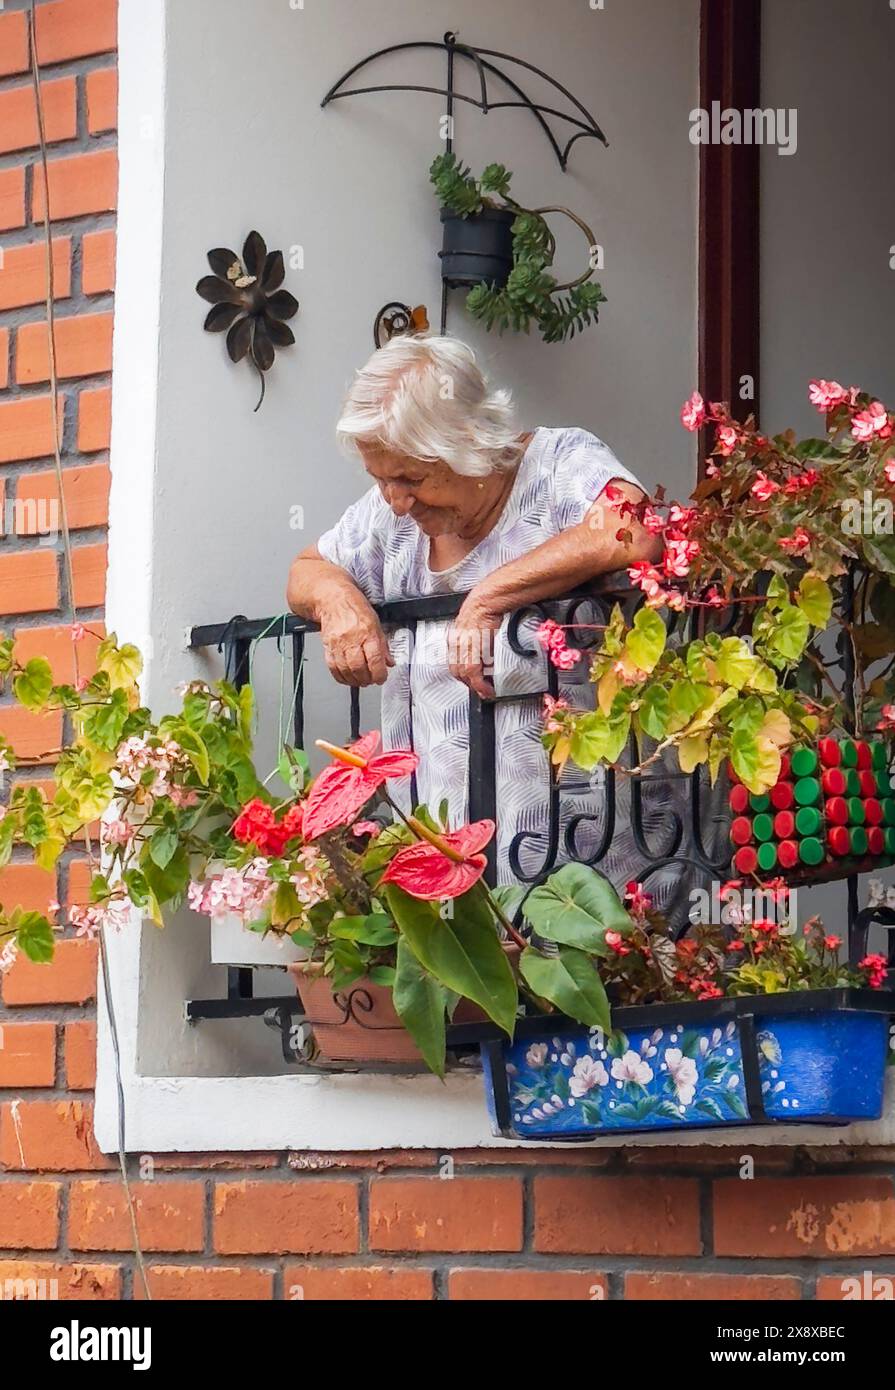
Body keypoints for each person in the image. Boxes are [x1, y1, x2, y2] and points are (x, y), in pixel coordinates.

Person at [287, 335, 662, 883]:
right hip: (445, 871)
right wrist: (338, 599)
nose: (394, 500)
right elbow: (305, 569)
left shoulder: (557, 464)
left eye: (410, 478)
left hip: (583, 865)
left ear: (468, 439)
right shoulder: (389, 516)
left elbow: (631, 529)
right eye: (380, 479)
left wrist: (490, 594)